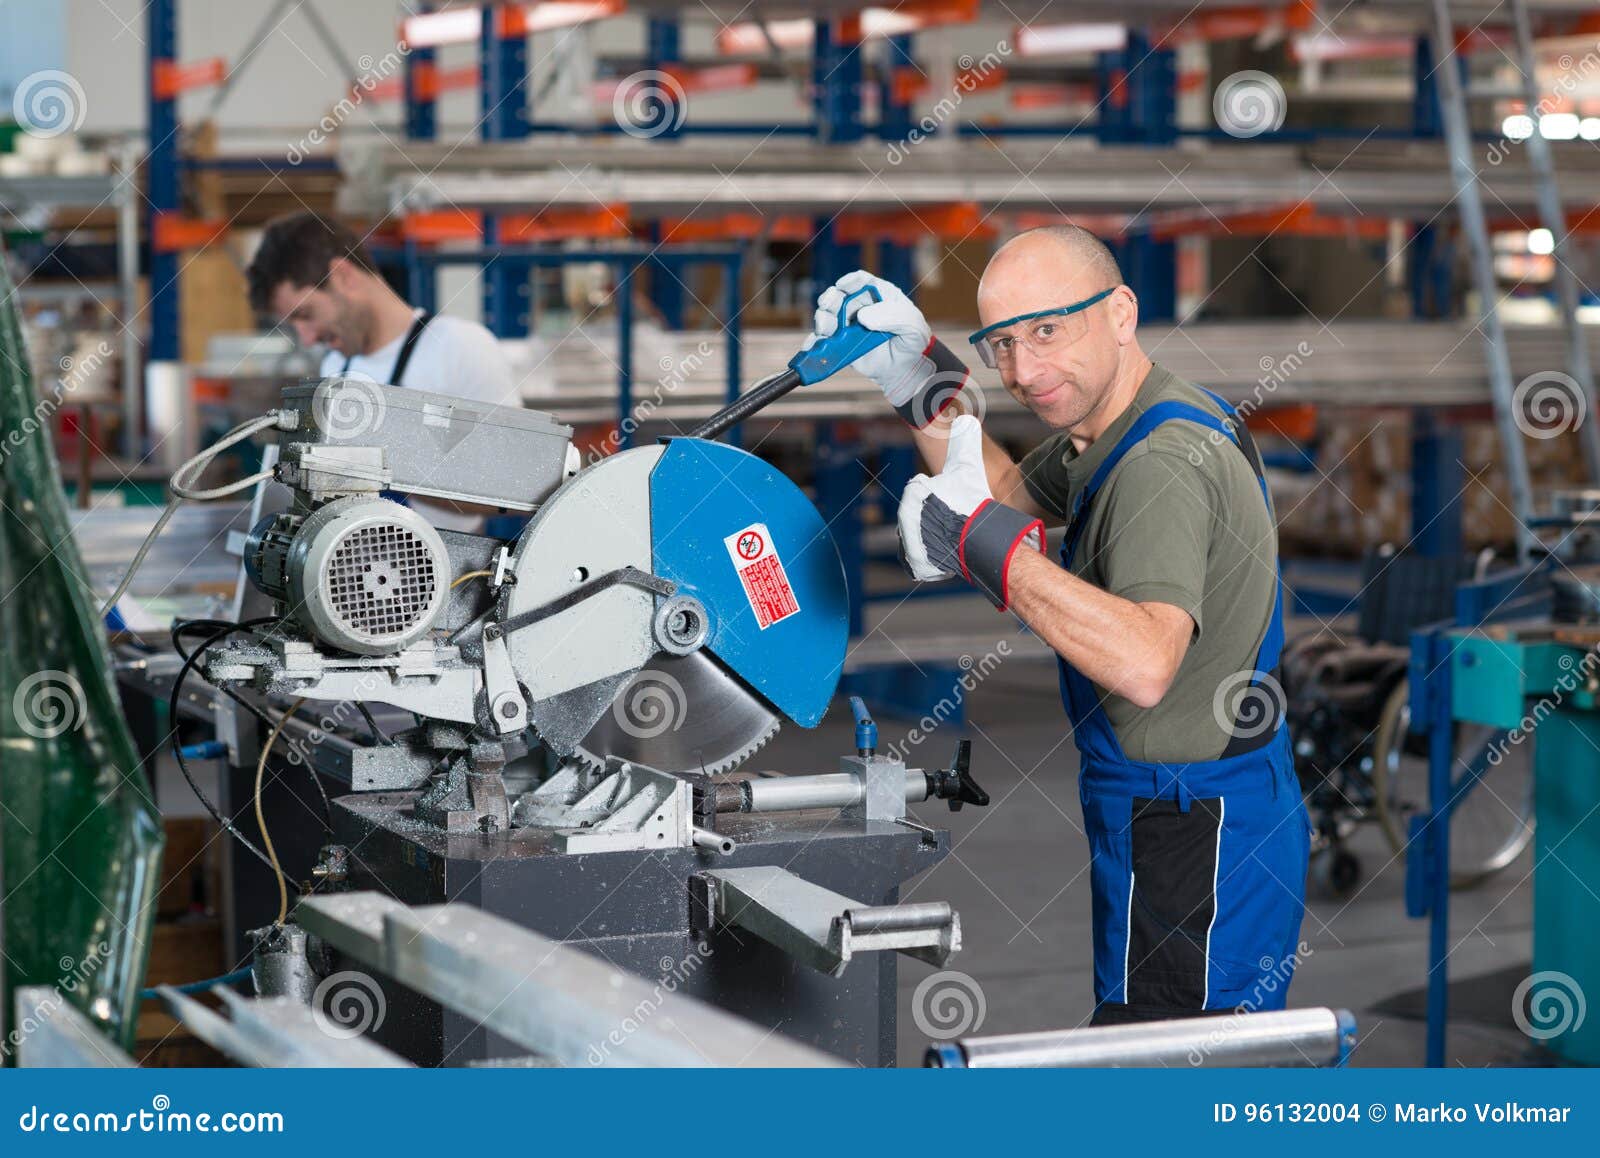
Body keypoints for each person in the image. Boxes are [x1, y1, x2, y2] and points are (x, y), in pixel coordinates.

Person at [814, 225, 1310, 1024]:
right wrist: (921, 382)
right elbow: (1005, 498)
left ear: (1120, 311)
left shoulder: (1159, 463)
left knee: (1178, 1070)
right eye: (1001, 344)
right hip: (1174, 808)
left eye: (1048, 330)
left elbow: (1147, 660)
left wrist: (979, 545)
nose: (1024, 370)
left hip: (1198, 831)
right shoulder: (1118, 425)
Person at [246, 212, 517, 530]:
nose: (307, 338)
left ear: (343, 276)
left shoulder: (458, 347)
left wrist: (379, 470)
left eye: (306, 314)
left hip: (445, 572)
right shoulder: (336, 366)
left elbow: (507, 487)